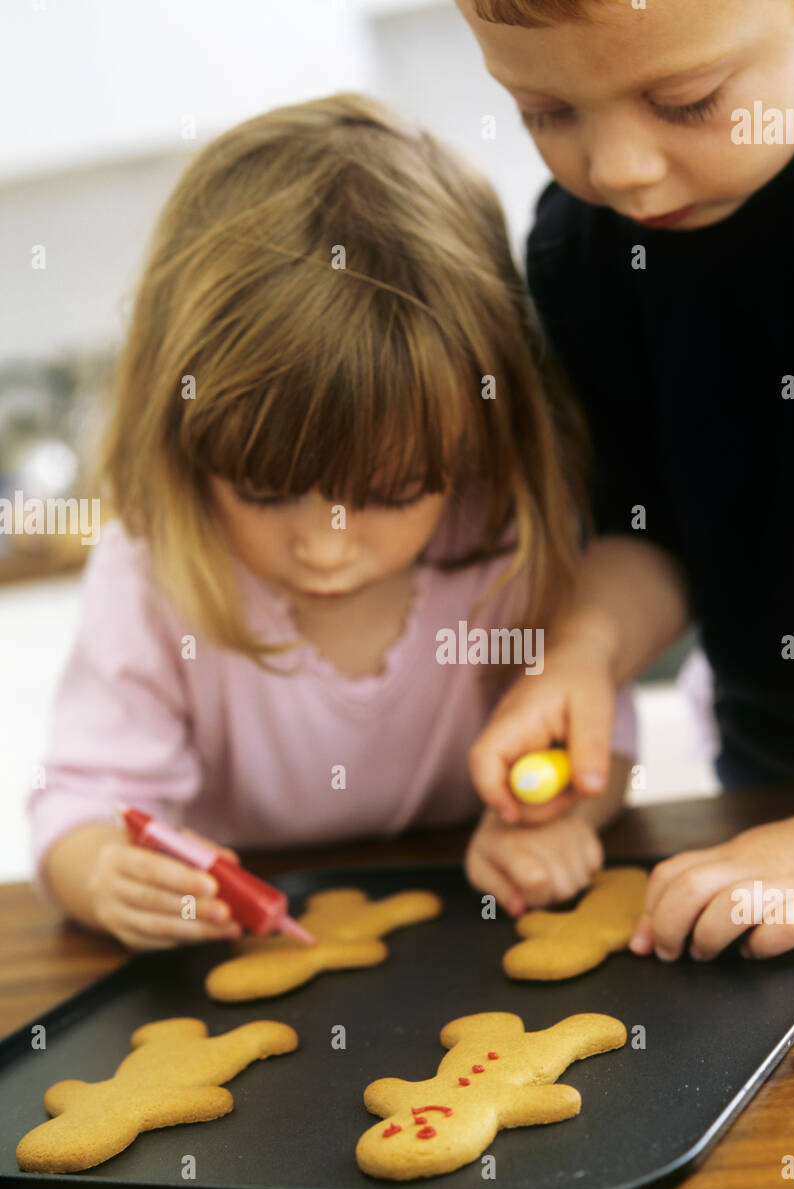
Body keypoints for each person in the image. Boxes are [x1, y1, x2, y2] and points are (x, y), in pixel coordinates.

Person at [27, 92, 636, 950]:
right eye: (265, 491)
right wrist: (100, 874)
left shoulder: (506, 541)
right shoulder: (152, 573)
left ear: (476, 442)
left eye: (390, 497)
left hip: (473, 939)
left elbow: (598, 752)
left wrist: (553, 819)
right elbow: (81, 801)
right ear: (186, 438)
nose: (325, 546)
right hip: (233, 956)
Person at [459, 0, 794, 958]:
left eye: (687, 100)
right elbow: (642, 530)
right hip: (792, 785)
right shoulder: (580, 243)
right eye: (547, 112)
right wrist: (587, 650)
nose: (617, 169)